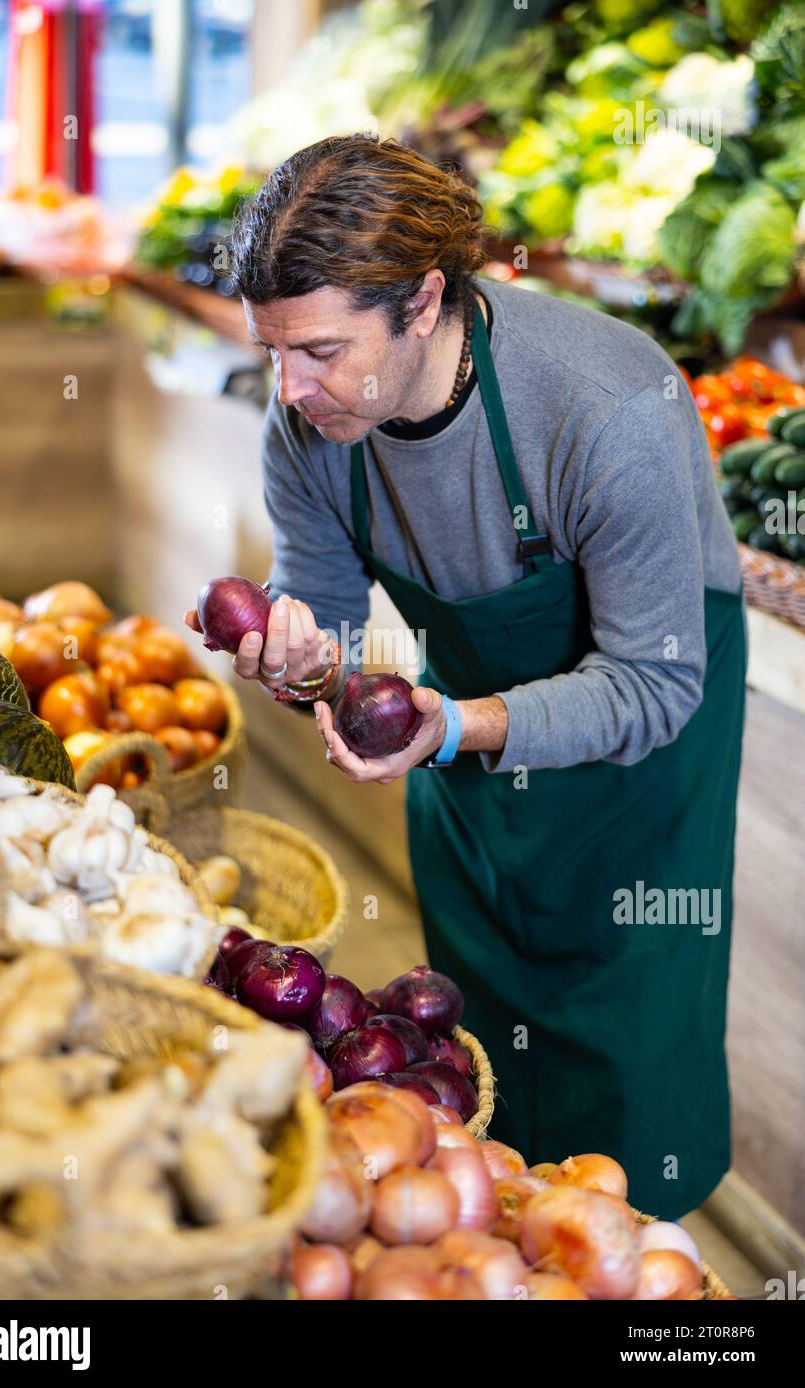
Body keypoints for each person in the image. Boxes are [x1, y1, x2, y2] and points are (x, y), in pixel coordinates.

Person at [186, 134, 746, 1219]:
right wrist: (303, 663)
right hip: (467, 748)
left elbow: (649, 685)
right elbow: (328, 620)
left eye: (318, 350)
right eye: (273, 353)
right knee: (468, 1054)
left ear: (422, 299)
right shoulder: (306, 428)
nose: (291, 390)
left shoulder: (605, 408)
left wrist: (451, 724)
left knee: (626, 1073)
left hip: (637, 768)